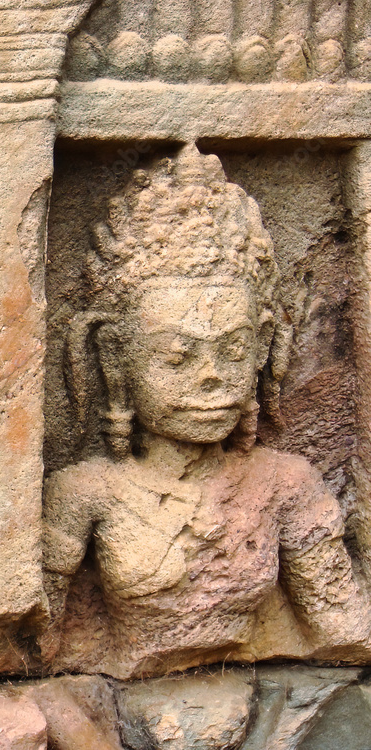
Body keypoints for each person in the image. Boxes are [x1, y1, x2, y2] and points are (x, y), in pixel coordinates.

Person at [41, 144, 370, 678]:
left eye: (234, 350)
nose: (211, 376)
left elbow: (345, 630)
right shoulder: (85, 495)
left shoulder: (287, 485)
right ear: (115, 358)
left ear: (265, 347)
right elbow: (33, 649)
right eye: (177, 355)